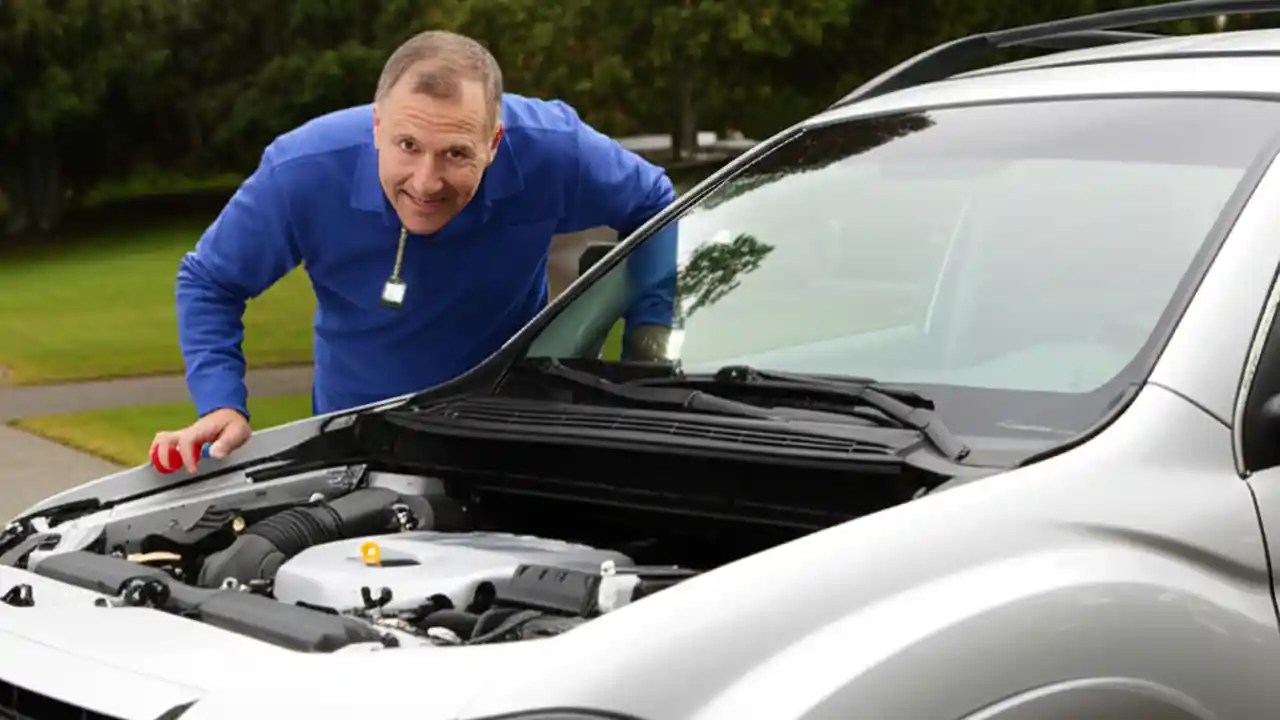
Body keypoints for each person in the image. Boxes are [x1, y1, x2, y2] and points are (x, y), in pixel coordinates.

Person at [151, 30, 679, 474]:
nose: (426, 183)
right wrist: (221, 400)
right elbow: (210, 281)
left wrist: (647, 346)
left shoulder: (555, 150)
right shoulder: (302, 171)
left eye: (455, 153)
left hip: (515, 434)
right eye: (408, 147)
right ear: (377, 127)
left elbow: (655, 201)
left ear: (494, 143)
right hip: (359, 448)